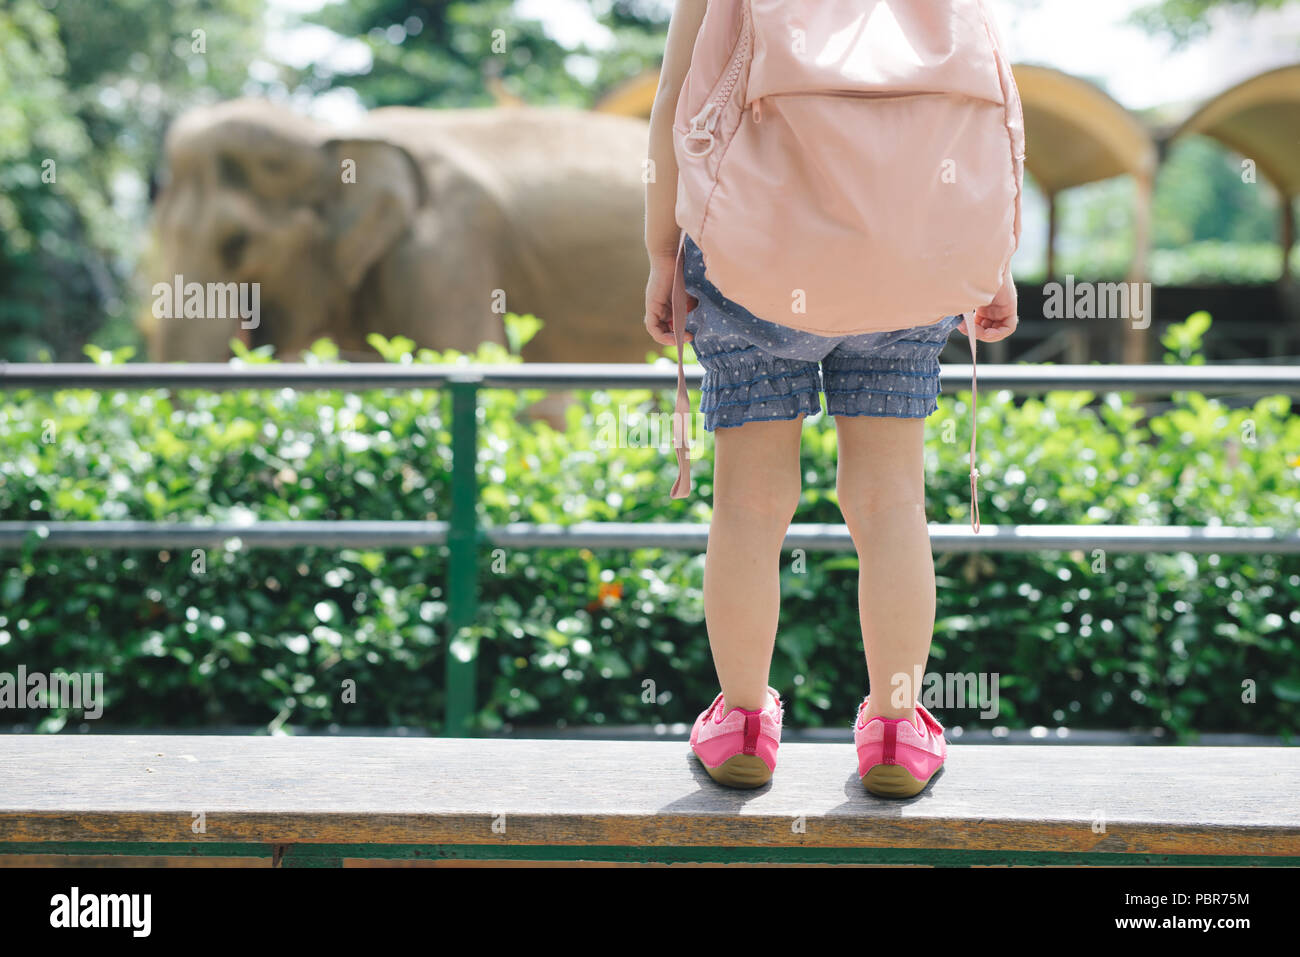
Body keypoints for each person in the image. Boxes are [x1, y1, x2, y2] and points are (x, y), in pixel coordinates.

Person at [642, 0, 1019, 796]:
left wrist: (658, 254)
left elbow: (678, 98)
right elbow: (990, 113)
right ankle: (895, 730)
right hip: (912, 267)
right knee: (890, 502)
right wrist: (992, 258)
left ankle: (743, 720)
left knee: (748, 502)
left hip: (754, 257)